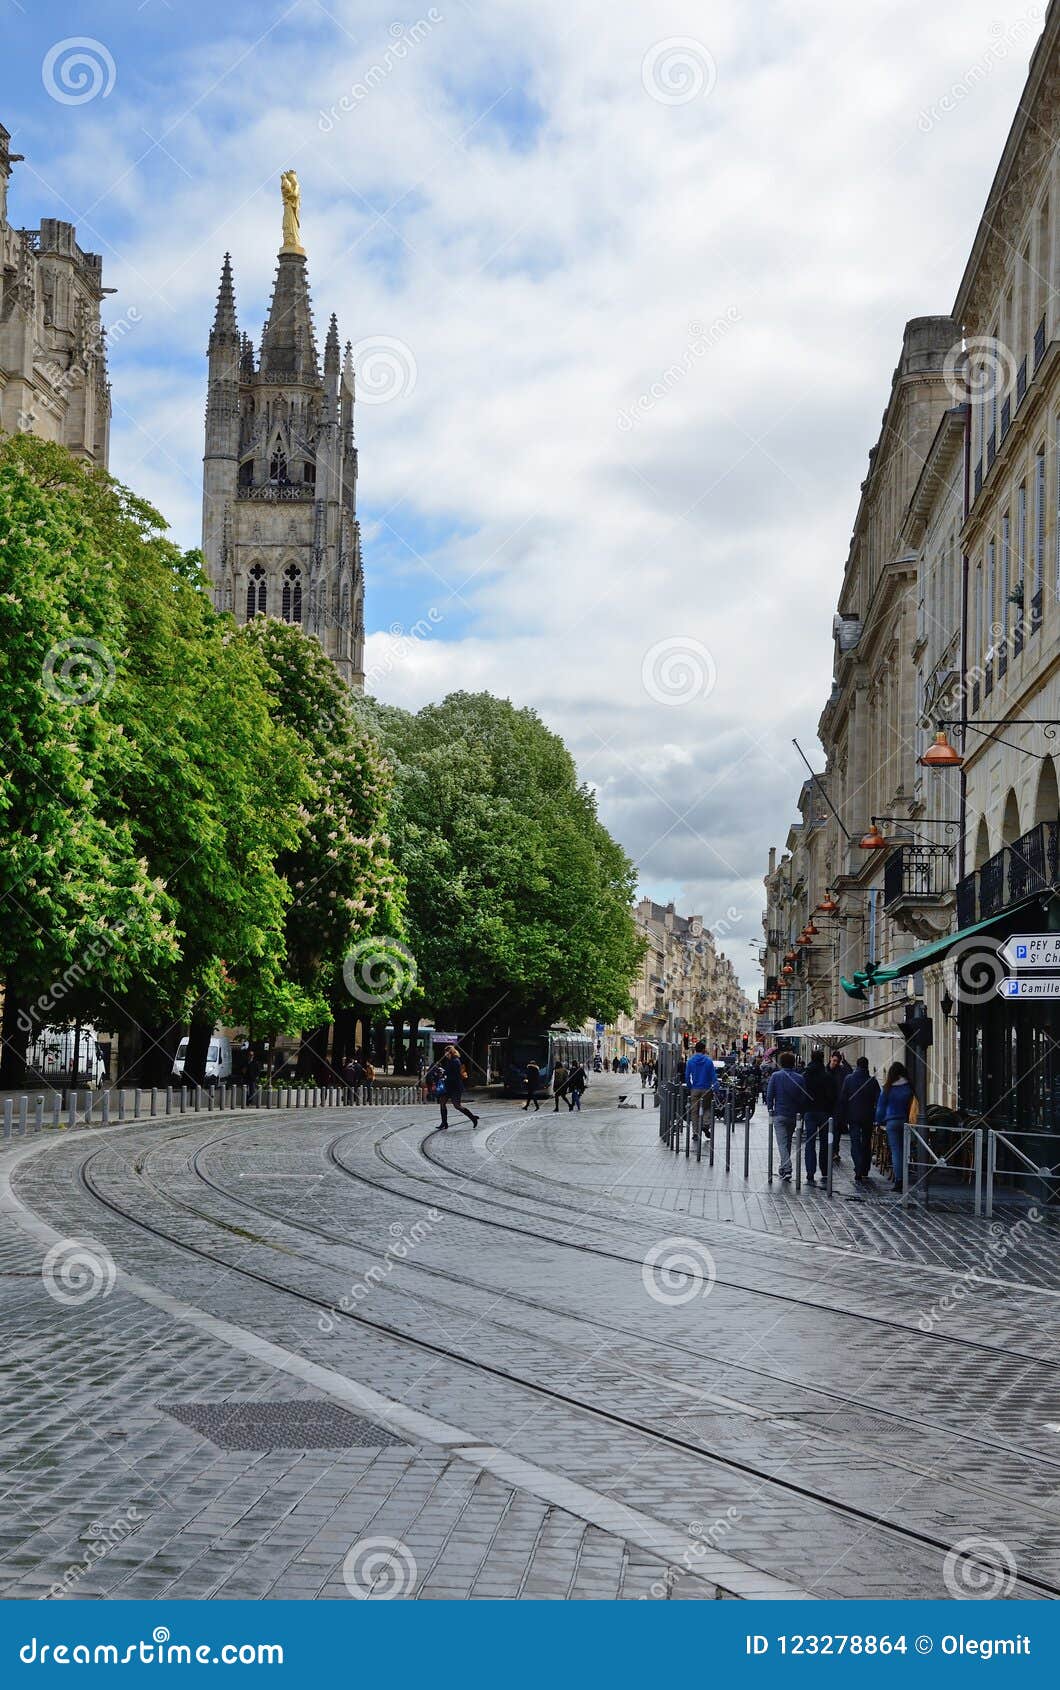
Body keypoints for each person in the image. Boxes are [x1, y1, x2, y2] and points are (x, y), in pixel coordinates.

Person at [764, 1050, 811, 1181]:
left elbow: (769, 1095)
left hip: (779, 1113)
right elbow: (803, 1097)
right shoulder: (800, 1078)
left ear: (781, 1063)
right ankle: (783, 1169)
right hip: (793, 1115)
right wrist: (800, 1112)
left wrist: (770, 1109)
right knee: (787, 1142)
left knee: (782, 1143)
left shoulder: (776, 1076)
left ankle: (787, 1168)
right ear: (793, 1063)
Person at [838, 1057, 881, 1186]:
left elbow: (843, 1099)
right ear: (867, 1066)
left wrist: (842, 1116)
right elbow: (878, 1099)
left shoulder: (849, 1079)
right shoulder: (872, 1081)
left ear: (857, 1065)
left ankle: (858, 1167)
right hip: (868, 1116)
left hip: (853, 1116)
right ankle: (865, 1169)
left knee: (855, 1142)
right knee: (866, 1142)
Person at [876, 1061, 915, 1191]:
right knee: (905, 1150)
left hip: (892, 1121)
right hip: (906, 1121)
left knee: (896, 1151)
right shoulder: (908, 1087)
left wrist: (878, 1121)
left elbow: (881, 1108)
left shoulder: (888, 1088)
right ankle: (906, 1176)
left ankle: (899, 1180)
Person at [801, 1049, 836, 1186]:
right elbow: (833, 1096)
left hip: (809, 1111)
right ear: (823, 1059)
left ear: (811, 1058)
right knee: (824, 1142)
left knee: (809, 1142)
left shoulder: (805, 1075)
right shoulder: (827, 1076)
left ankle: (810, 1171)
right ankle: (825, 1170)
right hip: (824, 1112)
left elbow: (802, 1093)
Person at [435, 1044, 479, 1131]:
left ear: (450, 1052)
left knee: (457, 1106)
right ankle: (444, 1123)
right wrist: (443, 1072)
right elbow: (448, 1072)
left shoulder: (455, 1061)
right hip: (448, 1086)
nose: (445, 1054)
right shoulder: (450, 1060)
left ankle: (473, 1118)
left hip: (455, 1087)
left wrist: (445, 1074)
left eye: (446, 1053)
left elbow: (455, 1075)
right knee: (442, 1102)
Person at [683, 1040, 717, 1146]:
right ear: (703, 1049)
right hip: (706, 1089)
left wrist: (690, 1086)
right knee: (707, 1108)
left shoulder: (690, 1061)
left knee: (694, 1111)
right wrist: (716, 1087)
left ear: (695, 1049)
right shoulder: (708, 1061)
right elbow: (713, 1076)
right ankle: (705, 1125)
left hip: (695, 1089)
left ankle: (695, 1132)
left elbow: (687, 1076)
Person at [828, 1050, 852, 1165]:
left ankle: (834, 1151)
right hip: (827, 1106)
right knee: (829, 1130)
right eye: (834, 1061)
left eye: (837, 1061)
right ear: (830, 1058)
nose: (835, 1063)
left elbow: (850, 1073)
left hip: (838, 1107)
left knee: (836, 1131)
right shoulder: (826, 1070)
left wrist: (845, 1061)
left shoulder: (841, 1071)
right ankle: (830, 1151)